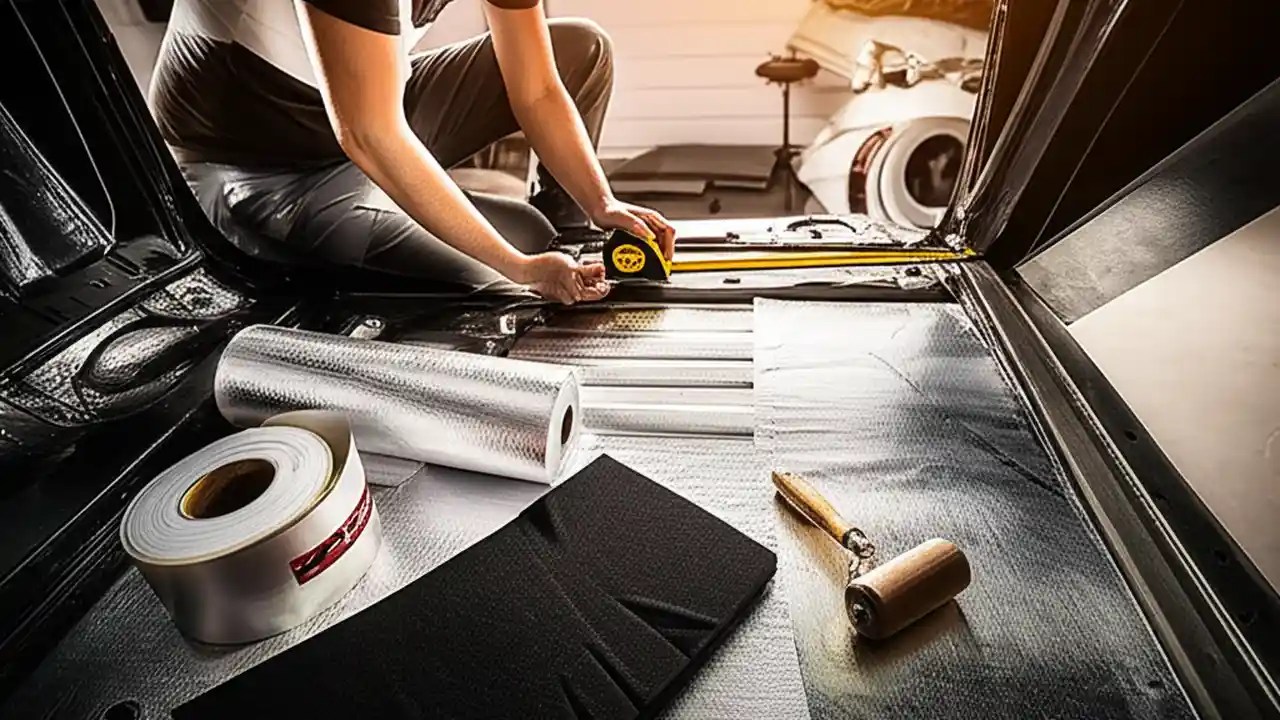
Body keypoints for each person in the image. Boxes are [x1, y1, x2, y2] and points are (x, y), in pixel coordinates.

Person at [149, 0, 676, 304]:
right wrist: (519, 267)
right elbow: (369, 133)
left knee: (581, 49)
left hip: (363, 106)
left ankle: (571, 239)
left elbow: (537, 88)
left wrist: (599, 203)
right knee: (499, 274)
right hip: (257, 171)